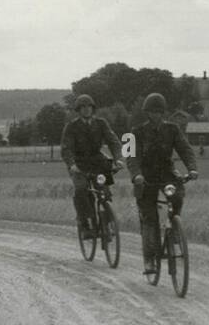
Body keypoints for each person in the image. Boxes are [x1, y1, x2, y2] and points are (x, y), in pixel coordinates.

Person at [126, 94, 198, 275]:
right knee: (149, 219)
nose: (156, 115)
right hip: (146, 176)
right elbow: (131, 157)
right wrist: (136, 175)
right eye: (152, 112)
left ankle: (175, 227)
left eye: (159, 112)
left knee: (178, 195)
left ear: (163, 112)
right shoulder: (136, 132)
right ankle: (149, 260)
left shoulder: (172, 129)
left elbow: (185, 149)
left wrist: (192, 169)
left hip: (167, 173)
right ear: (147, 113)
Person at [60, 94, 124, 238]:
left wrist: (118, 159)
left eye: (89, 107)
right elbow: (66, 148)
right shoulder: (72, 127)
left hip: (98, 161)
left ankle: (107, 223)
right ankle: (85, 224)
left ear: (93, 108)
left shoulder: (101, 123)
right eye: (83, 107)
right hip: (79, 163)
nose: (87, 110)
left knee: (105, 191)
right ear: (78, 109)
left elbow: (113, 141)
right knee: (82, 190)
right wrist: (71, 164)